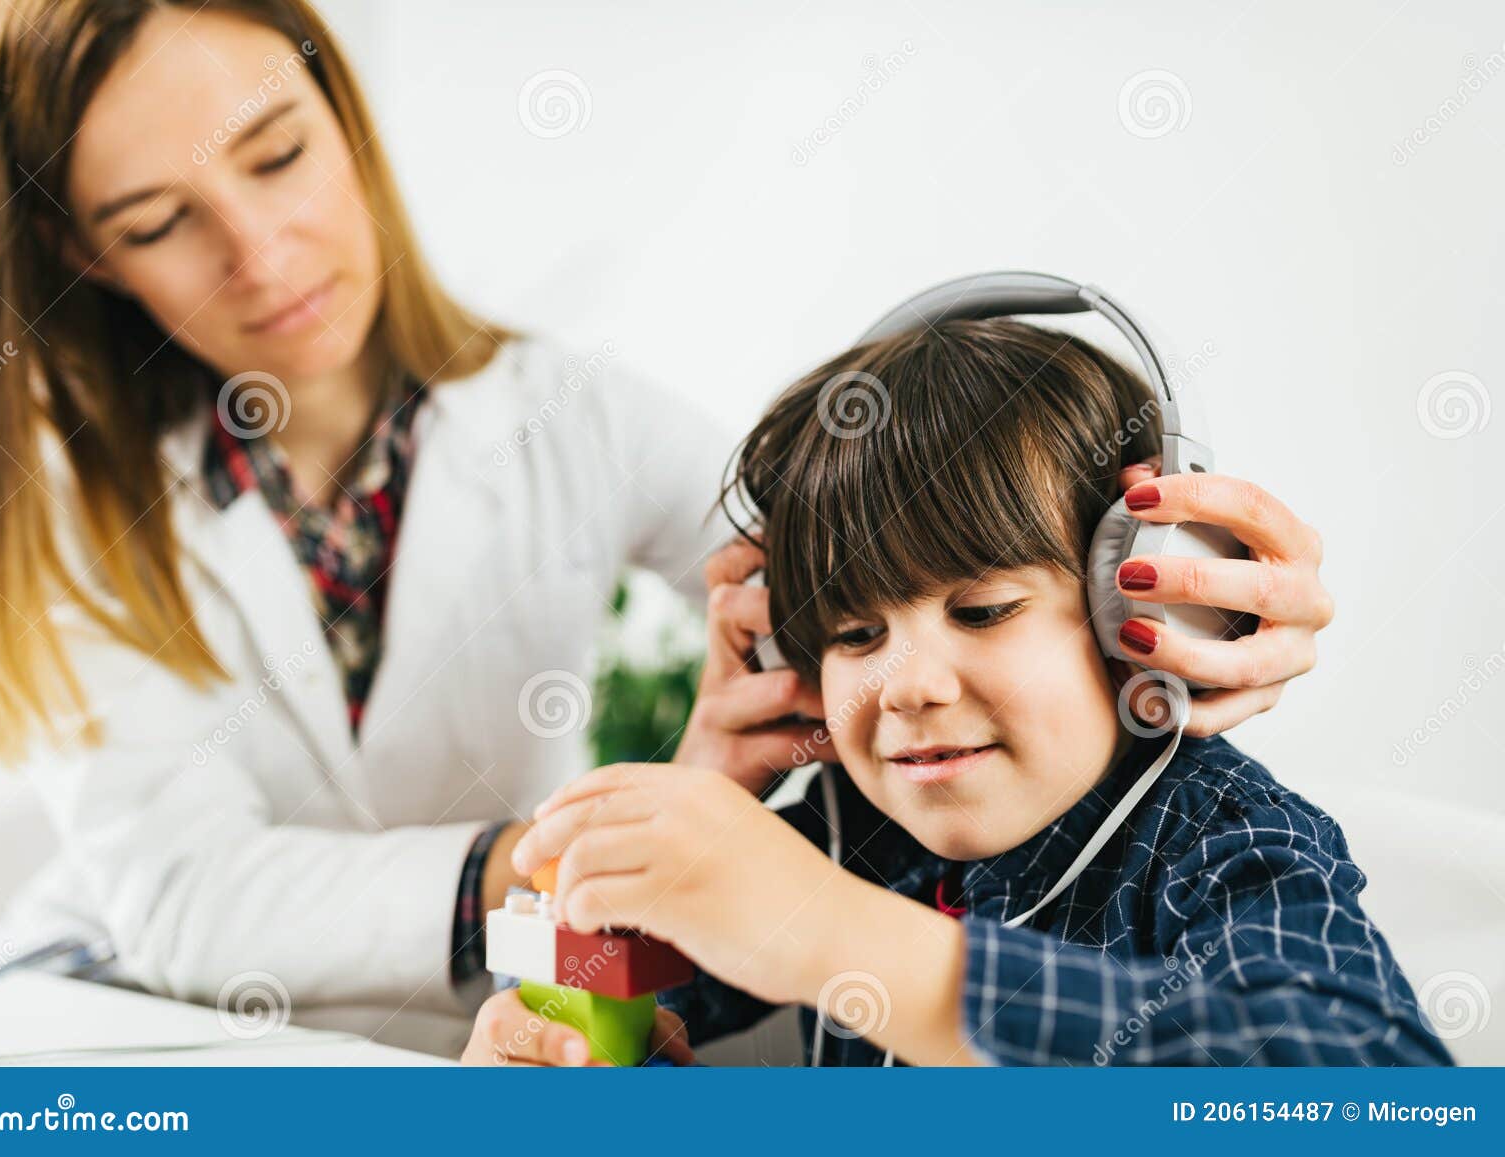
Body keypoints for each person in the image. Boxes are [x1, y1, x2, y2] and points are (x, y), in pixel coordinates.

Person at [0, 0, 1332, 1053]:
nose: (261, 251)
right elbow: (190, 899)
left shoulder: (573, 418)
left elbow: (878, 523)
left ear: (341, 114)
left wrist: (1201, 601)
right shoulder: (56, 519)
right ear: (77, 250)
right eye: (162, 218)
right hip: (152, 1027)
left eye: (278, 154)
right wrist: (600, 875)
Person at [474, 319, 1442, 1067]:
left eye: (981, 610)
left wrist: (842, 933)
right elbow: (608, 969)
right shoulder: (848, 829)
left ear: (1132, 605)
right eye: (855, 634)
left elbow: (1371, 1086)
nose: (908, 685)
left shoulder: (1216, 837)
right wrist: (566, 1042)